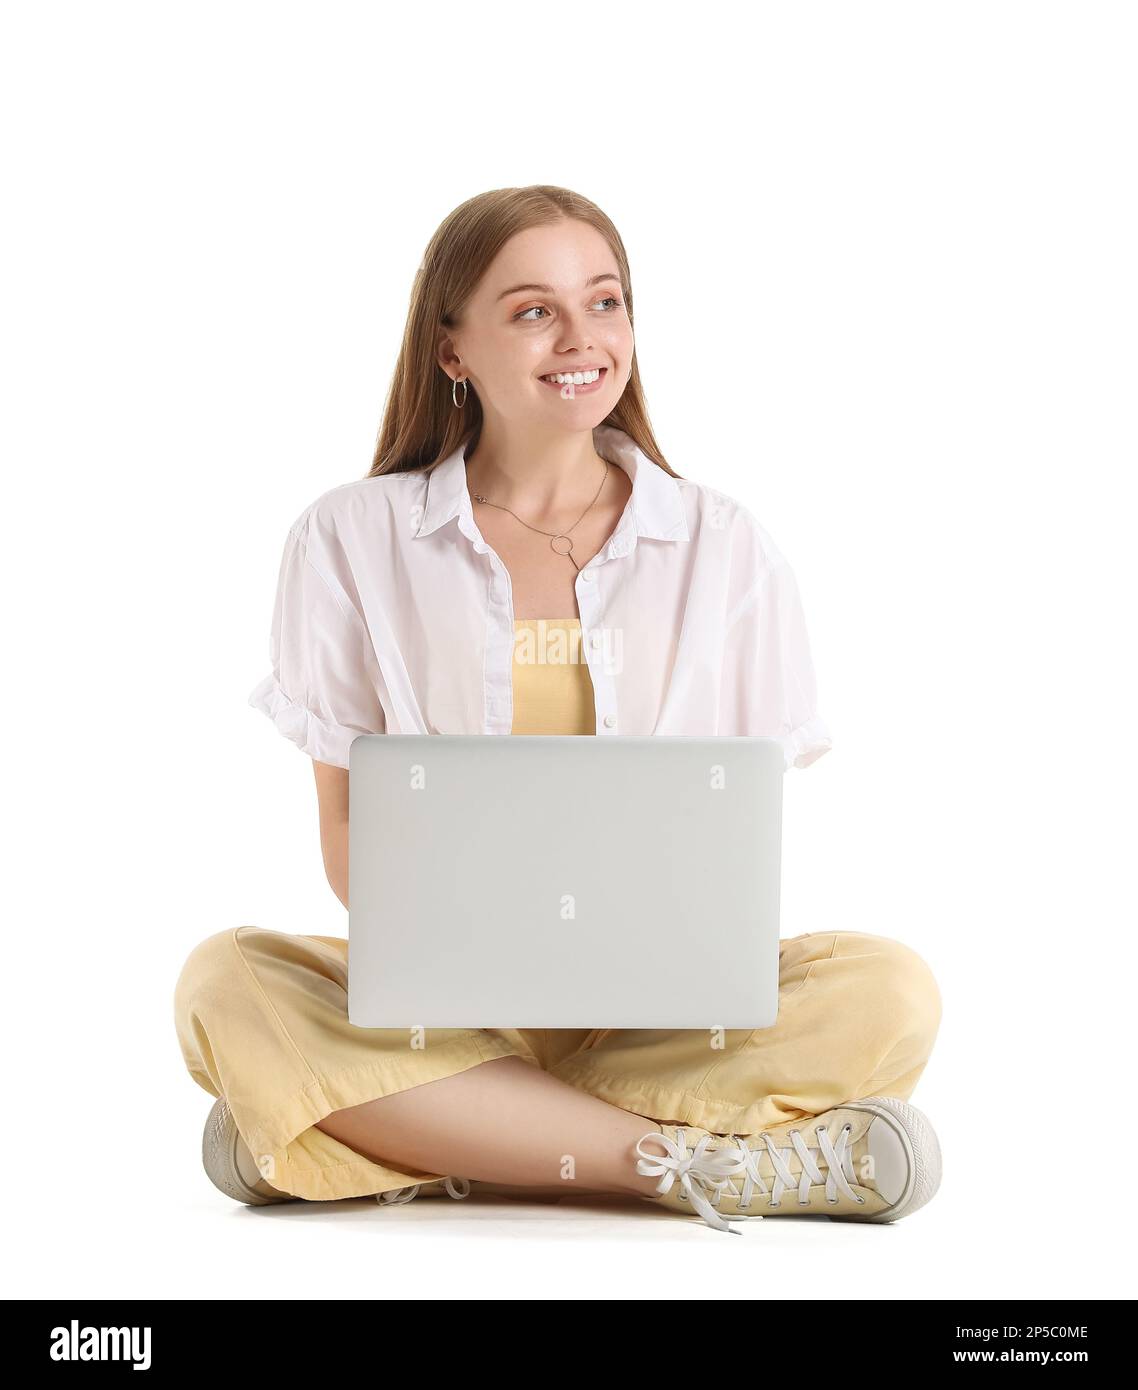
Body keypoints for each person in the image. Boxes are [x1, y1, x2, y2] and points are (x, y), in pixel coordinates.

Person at [173, 184, 943, 1235]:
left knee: (889, 990)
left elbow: (734, 831)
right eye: (535, 310)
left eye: (605, 302)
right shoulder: (350, 538)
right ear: (451, 348)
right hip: (440, 1012)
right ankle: (674, 1163)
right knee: (226, 981)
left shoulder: (724, 546)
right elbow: (350, 838)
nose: (583, 338)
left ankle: (389, 1135)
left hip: (663, 1019)